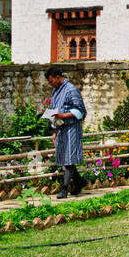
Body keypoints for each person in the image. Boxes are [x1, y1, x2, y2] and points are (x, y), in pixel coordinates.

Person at [45, 65, 88, 198]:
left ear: (58, 78)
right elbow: (55, 112)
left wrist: (63, 116)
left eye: (52, 81)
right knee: (64, 158)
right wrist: (54, 131)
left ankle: (64, 189)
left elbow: (81, 111)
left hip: (71, 128)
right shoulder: (56, 91)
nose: (51, 84)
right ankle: (80, 182)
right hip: (60, 129)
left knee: (69, 158)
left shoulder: (71, 90)